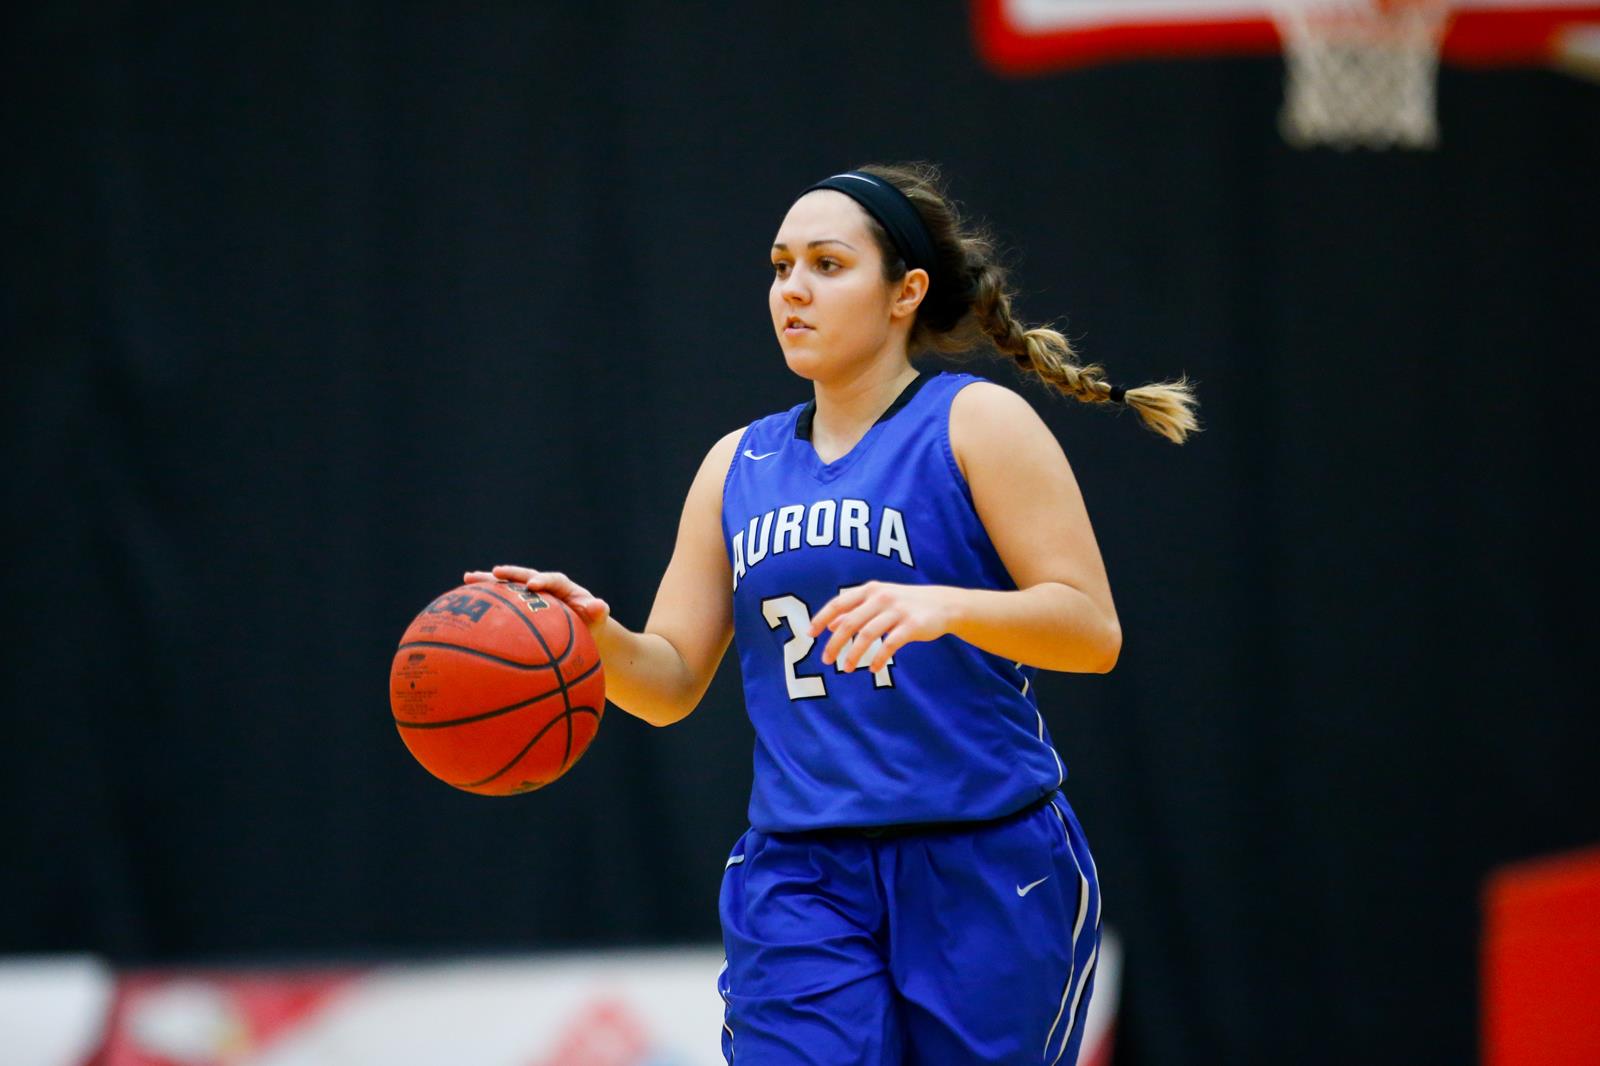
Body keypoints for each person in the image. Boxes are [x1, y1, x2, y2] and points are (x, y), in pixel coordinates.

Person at [468, 163, 1197, 1064]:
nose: (793, 290)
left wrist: (945, 605)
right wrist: (594, 638)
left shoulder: (975, 422)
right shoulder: (735, 464)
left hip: (983, 862)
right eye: (779, 267)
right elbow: (667, 685)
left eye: (826, 264)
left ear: (906, 292)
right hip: (802, 874)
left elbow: (1092, 631)